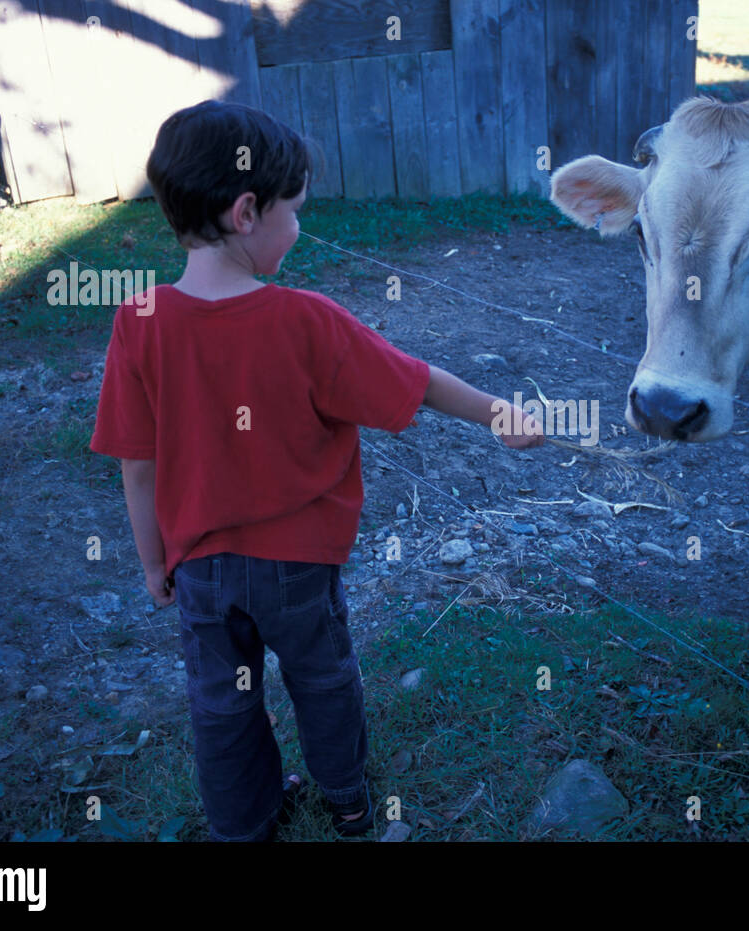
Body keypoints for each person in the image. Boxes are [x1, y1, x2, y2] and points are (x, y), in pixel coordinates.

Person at [90, 100, 544, 841]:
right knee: (323, 680)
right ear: (246, 212)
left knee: (221, 700)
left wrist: (152, 563)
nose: (300, 229)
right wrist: (500, 413)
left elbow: (136, 467)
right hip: (298, 565)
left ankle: (245, 822)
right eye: (294, 212)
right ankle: (348, 801)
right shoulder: (304, 320)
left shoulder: (136, 321)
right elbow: (416, 380)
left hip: (199, 568)